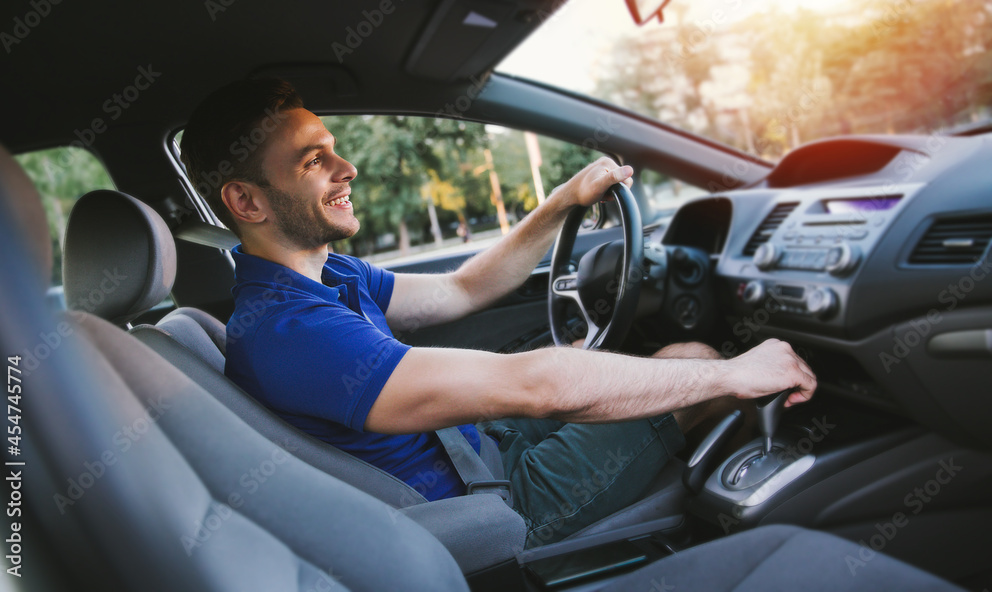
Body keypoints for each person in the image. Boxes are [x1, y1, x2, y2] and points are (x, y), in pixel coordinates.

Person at [180, 79, 816, 547]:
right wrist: (734, 373)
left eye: (333, 148)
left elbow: (462, 290)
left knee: (626, 369)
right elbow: (532, 385)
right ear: (246, 200)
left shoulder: (327, 274)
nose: (348, 168)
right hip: (497, 501)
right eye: (314, 160)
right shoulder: (290, 331)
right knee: (696, 359)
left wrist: (564, 202)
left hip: (478, 446)